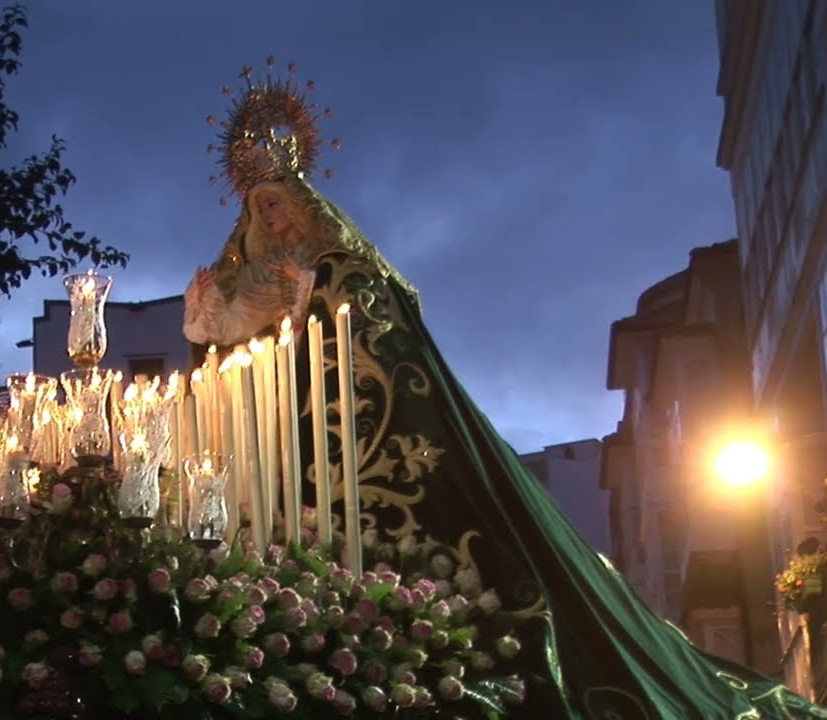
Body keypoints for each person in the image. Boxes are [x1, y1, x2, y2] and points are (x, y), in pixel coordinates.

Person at [182, 172, 825, 718]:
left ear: (303, 205)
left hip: (362, 420)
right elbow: (231, 332)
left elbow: (378, 322)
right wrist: (205, 315)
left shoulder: (343, 264)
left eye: (279, 202)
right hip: (294, 426)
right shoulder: (260, 276)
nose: (272, 215)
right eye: (260, 207)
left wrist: (311, 294)